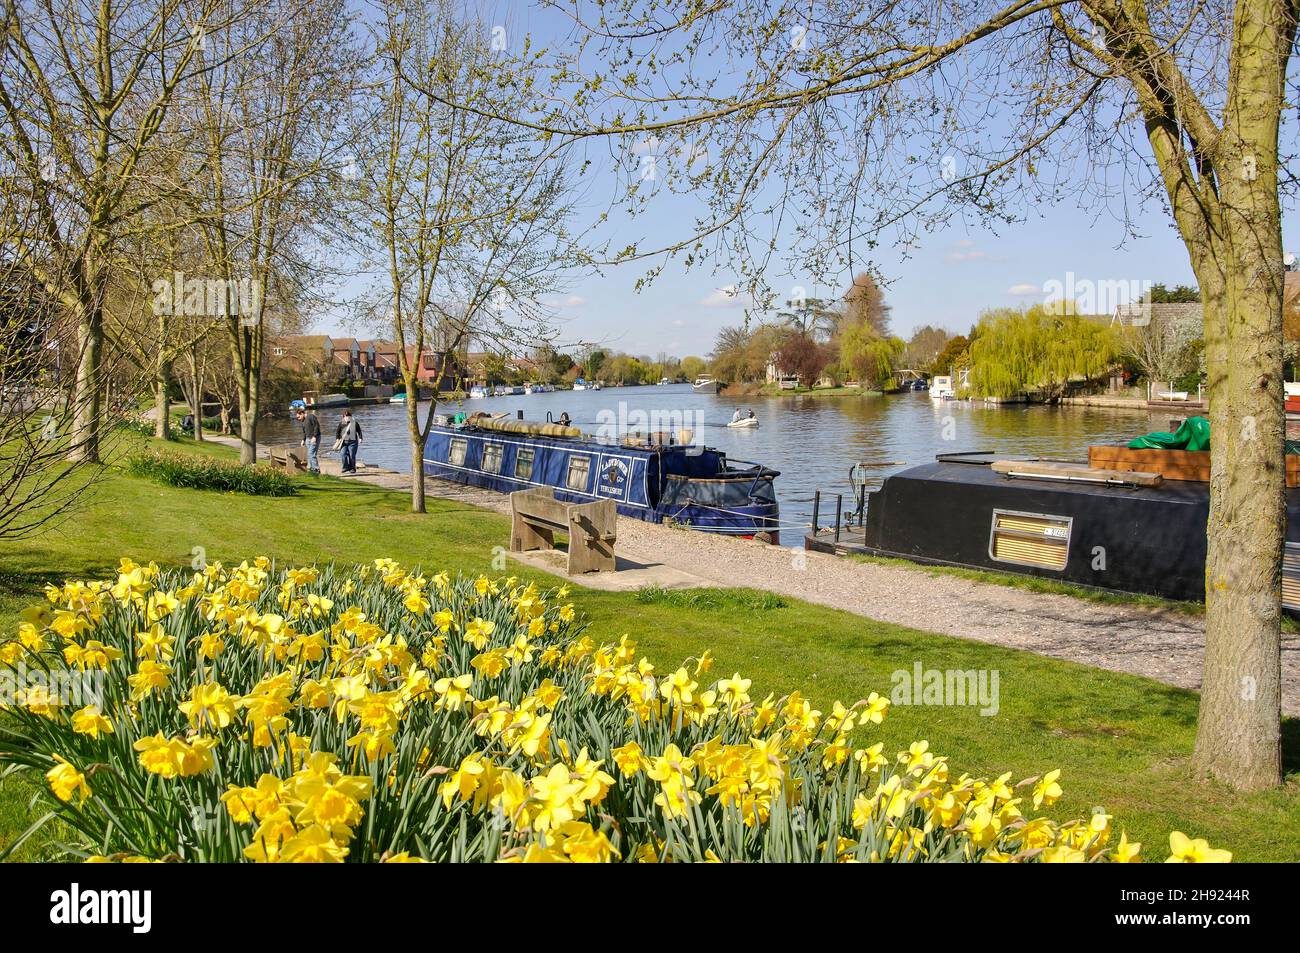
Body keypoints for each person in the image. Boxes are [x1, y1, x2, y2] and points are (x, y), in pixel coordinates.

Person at [295, 407, 321, 474]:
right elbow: (304, 432)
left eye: (298, 417)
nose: (298, 419)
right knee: (309, 454)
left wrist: (314, 437)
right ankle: (312, 468)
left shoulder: (311, 416)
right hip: (307, 439)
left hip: (315, 438)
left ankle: (316, 469)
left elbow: (316, 426)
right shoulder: (303, 421)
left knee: (311, 454)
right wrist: (303, 440)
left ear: (302, 413)